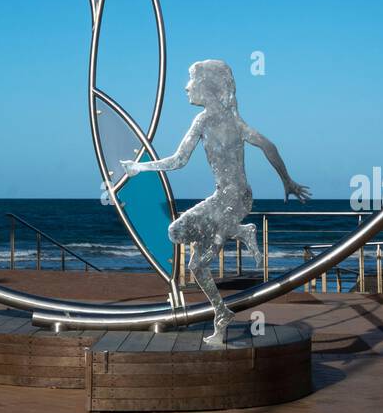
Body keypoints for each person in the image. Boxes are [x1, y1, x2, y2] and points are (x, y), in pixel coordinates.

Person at [122, 59, 309, 346]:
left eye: (190, 82)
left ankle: (225, 297)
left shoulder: (206, 120)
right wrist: (287, 180)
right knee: (187, 249)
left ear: (206, 86)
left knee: (185, 247)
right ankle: (225, 297)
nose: (185, 88)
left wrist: (140, 168)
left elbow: (178, 161)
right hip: (235, 197)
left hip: (231, 200)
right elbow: (269, 145)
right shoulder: (234, 121)